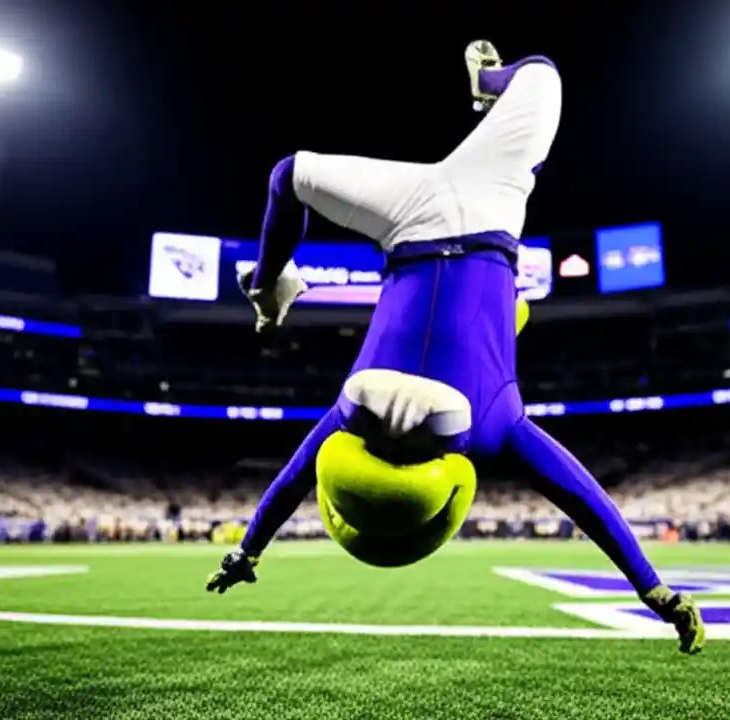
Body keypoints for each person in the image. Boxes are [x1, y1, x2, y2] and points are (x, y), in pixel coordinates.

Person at [206, 40, 704, 654]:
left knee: (290, 175)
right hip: (482, 209)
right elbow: (582, 498)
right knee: (540, 75)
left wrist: (248, 548)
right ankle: (486, 84)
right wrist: (654, 590)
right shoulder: (477, 425)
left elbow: (290, 482)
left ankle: (267, 285)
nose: (396, 436)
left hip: (415, 222)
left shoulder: (366, 421)